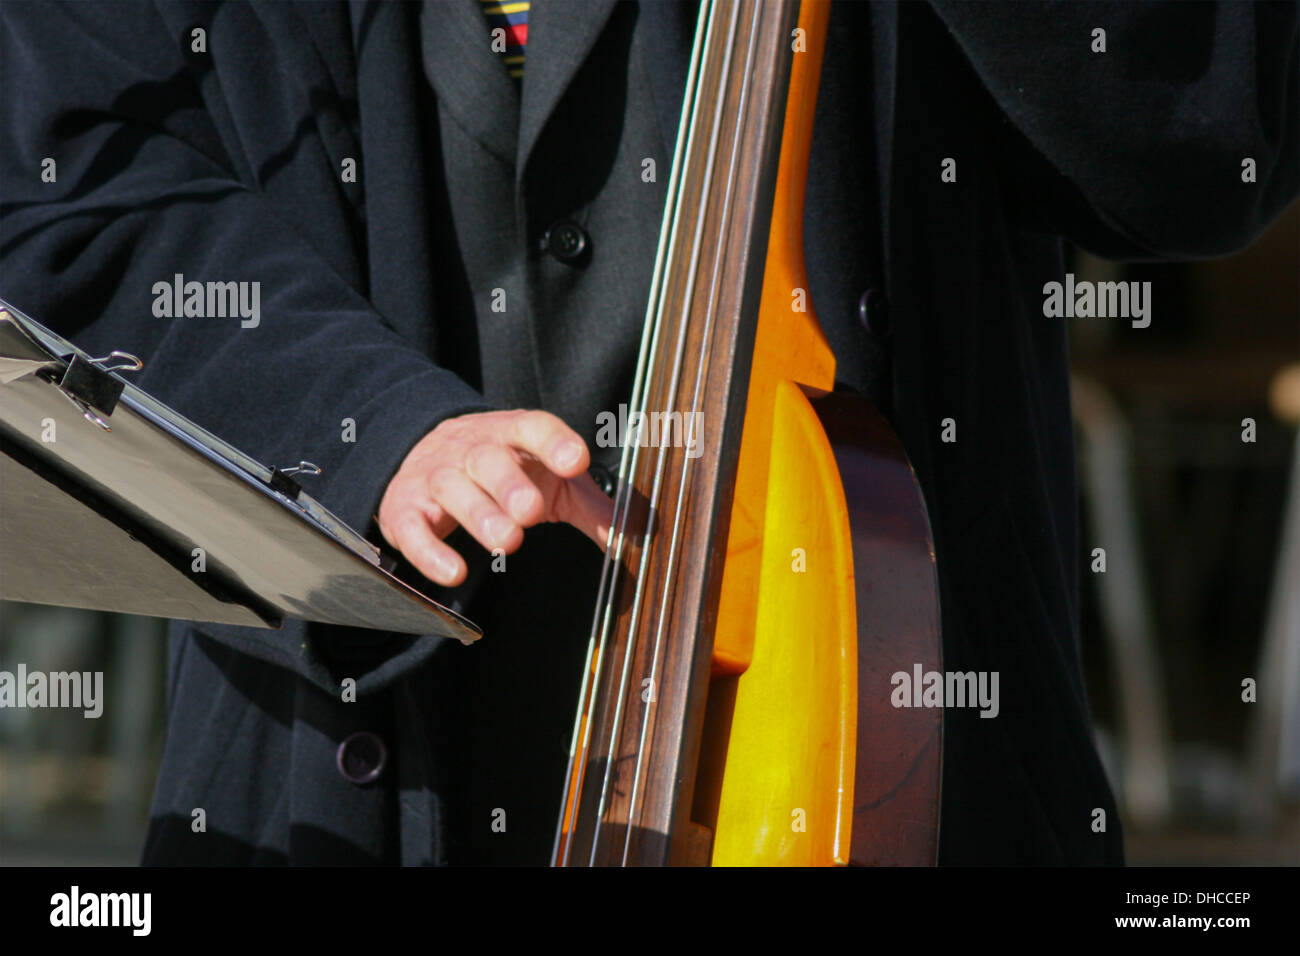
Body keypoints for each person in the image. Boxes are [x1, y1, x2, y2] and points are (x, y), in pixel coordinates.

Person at [1, 0, 1295, 866]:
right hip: (321, 795)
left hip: (878, 770)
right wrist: (366, 427)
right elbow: (67, 186)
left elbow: (1212, 137)